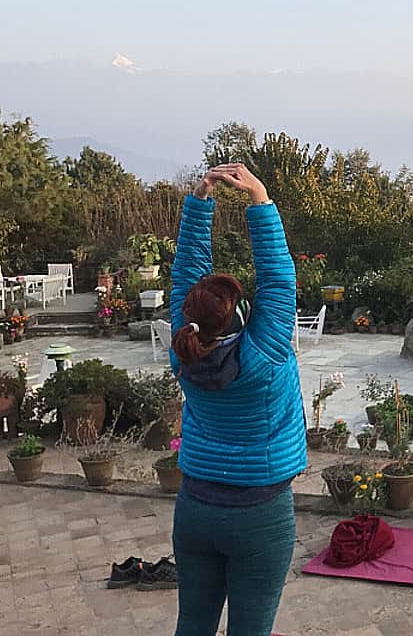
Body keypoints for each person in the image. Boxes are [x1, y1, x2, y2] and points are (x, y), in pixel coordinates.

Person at [168, 163, 306, 636]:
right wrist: (260, 200)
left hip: (194, 509)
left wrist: (200, 201)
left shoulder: (181, 350)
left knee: (193, 624)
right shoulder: (262, 353)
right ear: (239, 315)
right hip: (259, 515)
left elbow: (187, 267)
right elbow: (279, 278)